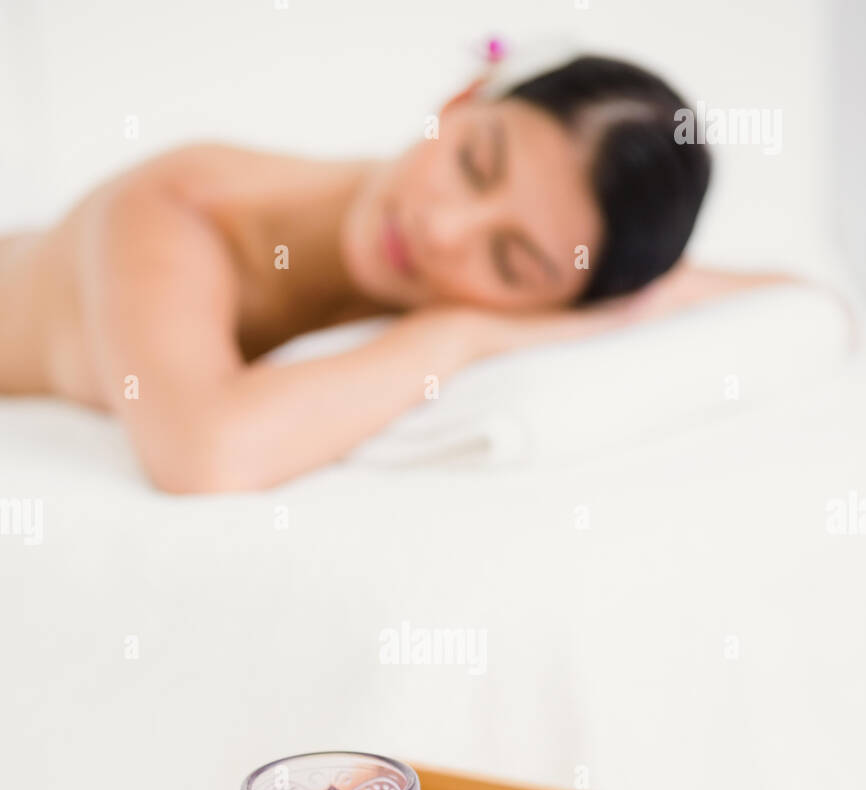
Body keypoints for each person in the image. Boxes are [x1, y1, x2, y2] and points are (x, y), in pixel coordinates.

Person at [0, 53, 779, 492]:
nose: (442, 230)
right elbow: (206, 451)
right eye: (475, 163)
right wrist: (465, 331)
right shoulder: (178, 204)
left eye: (510, 259)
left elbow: (784, 297)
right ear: (462, 96)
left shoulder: (558, 278)